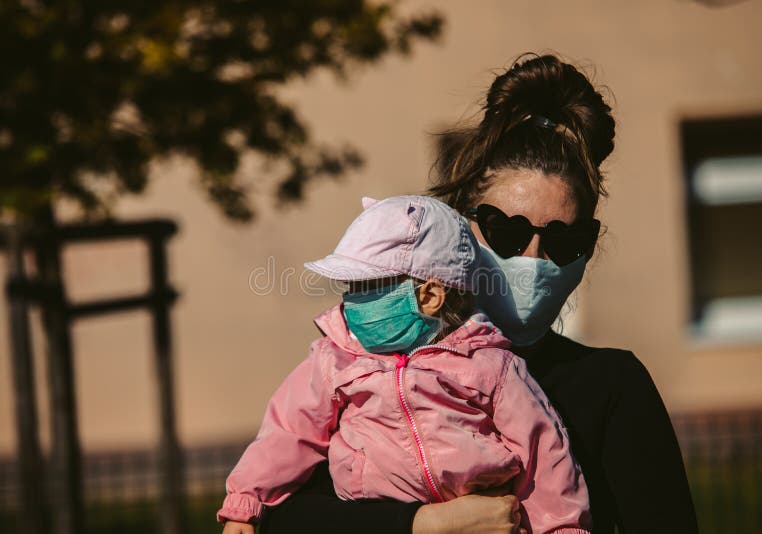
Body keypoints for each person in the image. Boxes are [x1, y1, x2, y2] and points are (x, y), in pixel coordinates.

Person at [260, 54, 698, 534]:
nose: (533, 259)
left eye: (562, 241)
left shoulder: (611, 386)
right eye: (507, 232)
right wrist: (425, 525)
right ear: (458, 227)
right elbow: (279, 517)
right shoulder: (371, 366)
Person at [219, 195, 592, 534]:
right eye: (350, 288)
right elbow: (288, 431)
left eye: (366, 287)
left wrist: (562, 528)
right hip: (380, 520)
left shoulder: (488, 365)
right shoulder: (335, 359)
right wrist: (245, 501)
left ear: (430, 296)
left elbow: (544, 450)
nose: (351, 302)